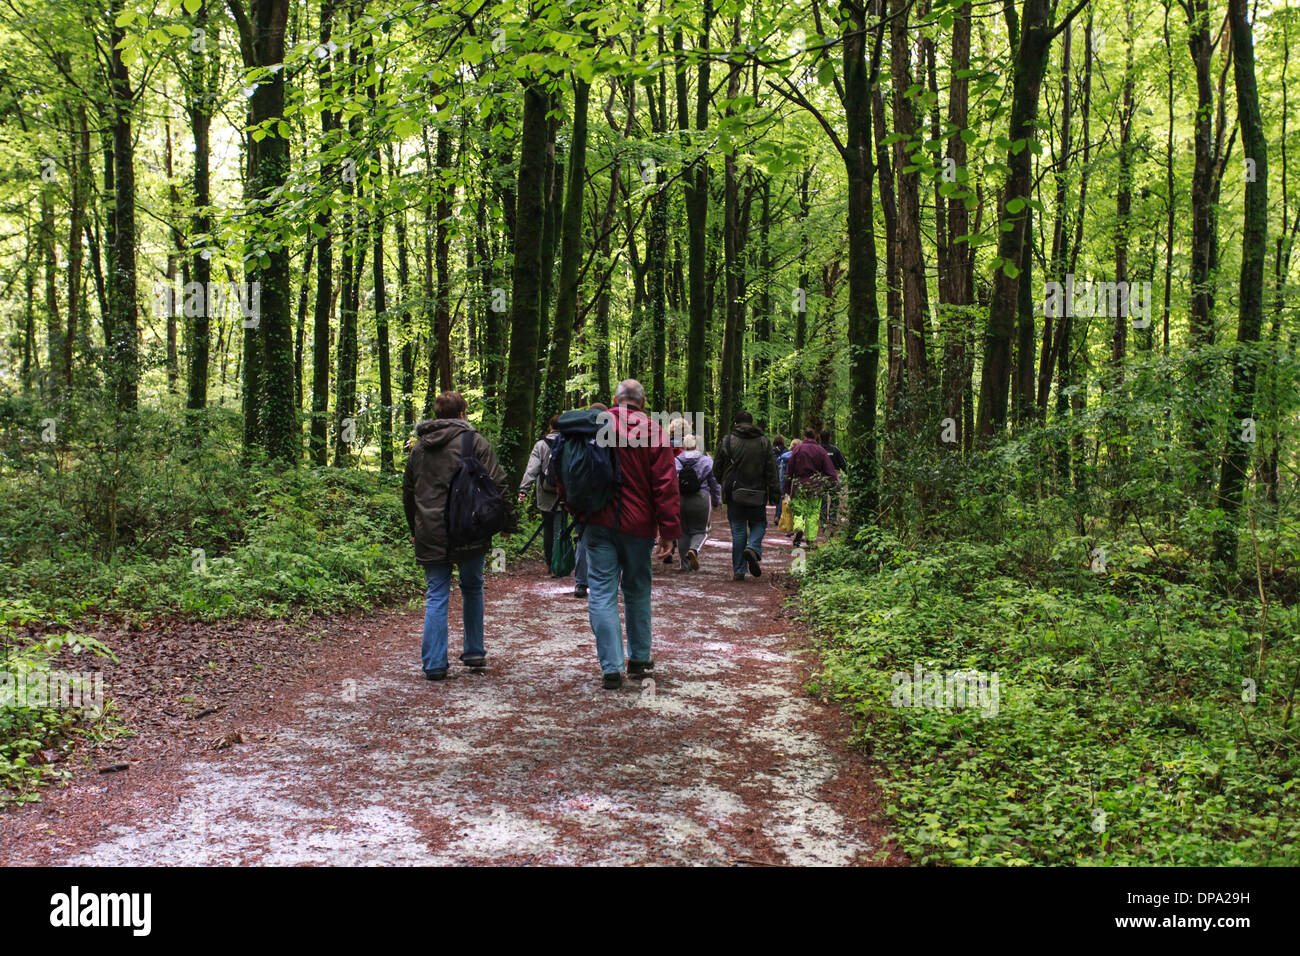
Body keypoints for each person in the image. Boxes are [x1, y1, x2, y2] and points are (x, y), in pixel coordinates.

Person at [559, 381, 680, 689]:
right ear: (643, 402)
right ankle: (639, 659)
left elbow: (565, 471)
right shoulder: (654, 431)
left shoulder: (594, 425)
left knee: (601, 591)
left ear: (614, 399)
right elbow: (665, 485)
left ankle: (611, 667)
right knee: (637, 590)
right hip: (639, 526)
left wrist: (577, 512)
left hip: (597, 522)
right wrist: (668, 531)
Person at [403, 391, 514, 680]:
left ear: (437, 415)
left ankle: (434, 664)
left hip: (430, 531)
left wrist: (414, 529)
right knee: (472, 588)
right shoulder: (474, 442)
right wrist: (507, 520)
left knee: (437, 594)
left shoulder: (419, 448)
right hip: (469, 528)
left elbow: (409, 493)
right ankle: (474, 650)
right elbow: (498, 482)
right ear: (462, 413)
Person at [714, 411, 780, 581]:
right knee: (759, 523)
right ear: (752, 423)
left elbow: (717, 469)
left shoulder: (727, 441)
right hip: (758, 491)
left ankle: (739, 570)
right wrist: (775, 493)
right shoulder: (764, 442)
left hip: (734, 493)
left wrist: (725, 483)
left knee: (738, 530)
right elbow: (771, 470)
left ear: (735, 424)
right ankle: (752, 547)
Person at [518, 415, 565, 575]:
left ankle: (550, 564)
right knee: (560, 530)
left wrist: (524, 490)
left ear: (550, 427)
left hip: (545, 493)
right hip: (563, 494)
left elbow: (532, 469)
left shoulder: (540, 445)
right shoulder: (568, 443)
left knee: (548, 529)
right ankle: (559, 564)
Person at [571, 401, 607, 599]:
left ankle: (580, 583)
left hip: (579, 499)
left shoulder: (576, 436)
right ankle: (605, 582)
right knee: (609, 541)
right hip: (605, 499)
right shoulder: (611, 436)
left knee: (582, 540)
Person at [784, 427, 839, 549]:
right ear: (815, 437)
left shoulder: (798, 449)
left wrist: (786, 489)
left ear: (804, 437)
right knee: (813, 514)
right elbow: (830, 470)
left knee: (799, 511)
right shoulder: (821, 451)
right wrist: (834, 485)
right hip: (816, 487)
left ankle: (799, 528)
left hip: (799, 485)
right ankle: (810, 540)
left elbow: (789, 470)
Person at [675, 433, 721, 571]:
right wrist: (716, 500)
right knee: (700, 530)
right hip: (701, 498)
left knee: (682, 532)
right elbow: (715, 483)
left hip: (681, 498)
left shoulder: (676, 460)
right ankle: (694, 550)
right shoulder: (706, 461)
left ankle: (685, 565)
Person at [819, 429, 848, 525]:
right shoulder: (835, 450)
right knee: (834, 497)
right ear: (830, 438)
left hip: (820, 476)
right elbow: (843, 464)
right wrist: (848, 473)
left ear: (820, 438)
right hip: (833, 475)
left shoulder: (817, 449)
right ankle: (832, 518)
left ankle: (822, 519)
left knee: (822, 497)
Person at [771, 435, 787, 525]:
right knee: (781, 496)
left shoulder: (770, 450)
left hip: (773, 475)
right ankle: (778, 515)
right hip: (782, 475)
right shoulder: (785, 451)